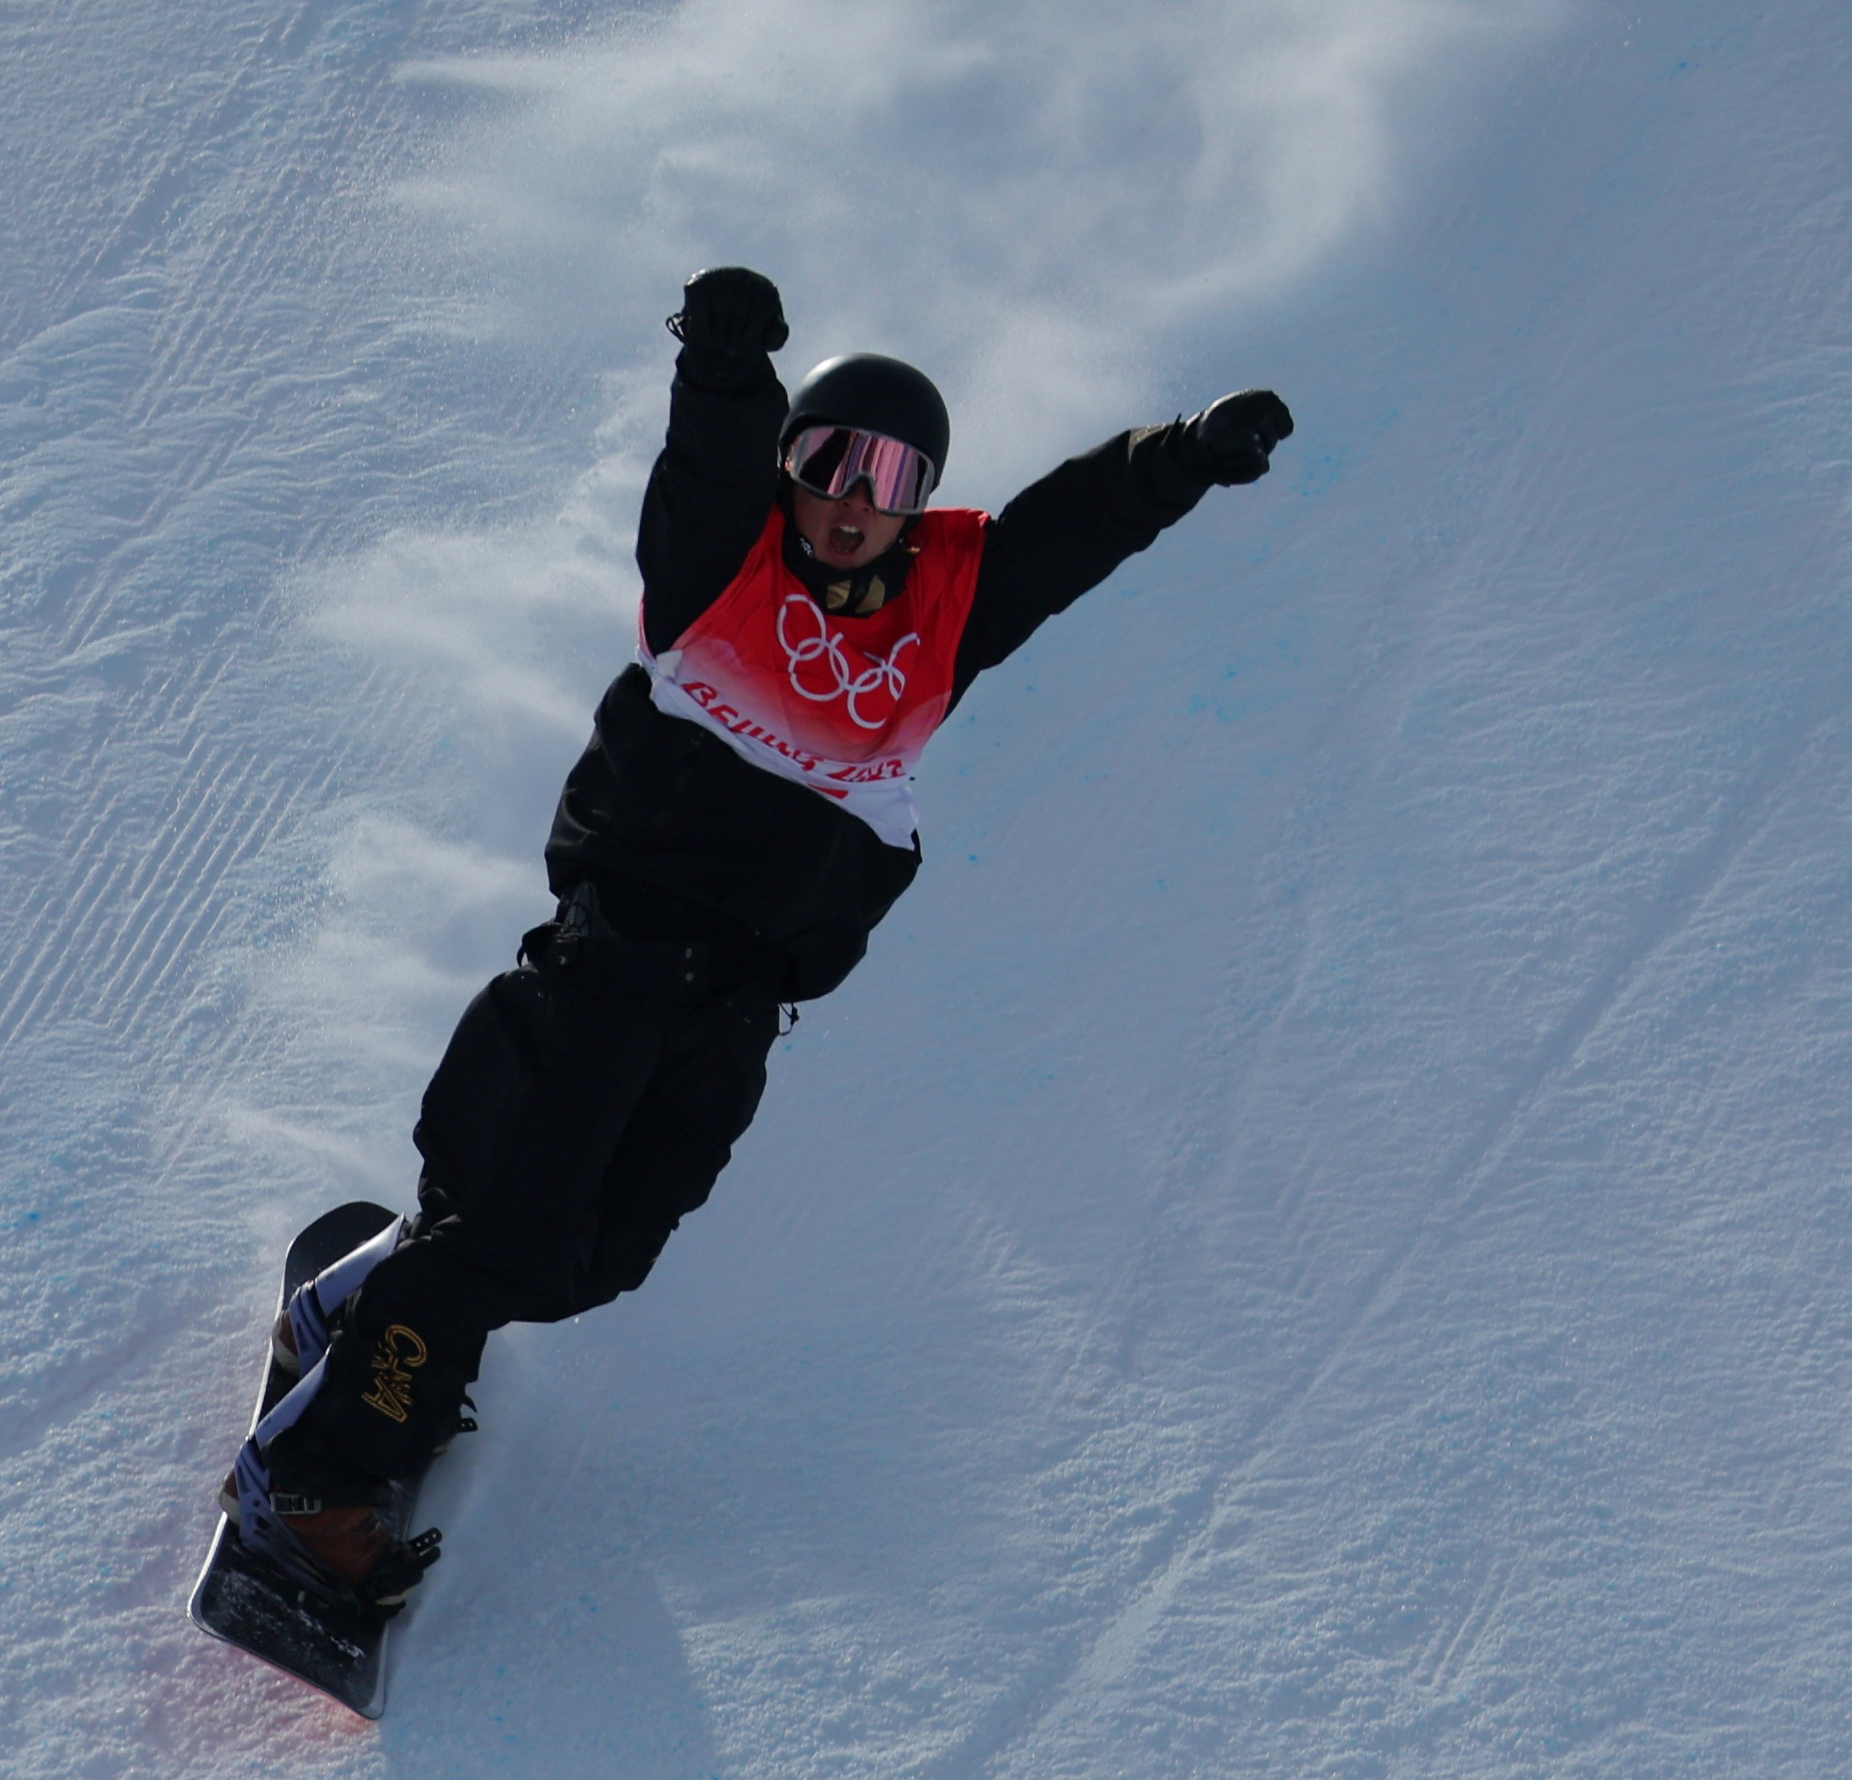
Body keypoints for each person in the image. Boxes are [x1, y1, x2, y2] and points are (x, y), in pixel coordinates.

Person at [217, 267, 1293, 1605]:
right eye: (831, 465)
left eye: (890, 482)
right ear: (790, 468)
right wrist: (727, 375)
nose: (855, 501)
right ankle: (312, 1484)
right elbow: (707, 467)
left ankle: (371, 1301)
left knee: (596, 1260)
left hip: (734, 1002)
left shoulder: (940, 622)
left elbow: (1062, 534)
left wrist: (1179, 458)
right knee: (504, 1243)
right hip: (617, 959)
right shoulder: (720, 568)